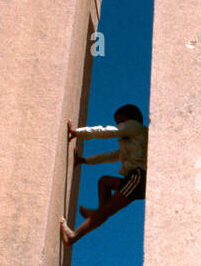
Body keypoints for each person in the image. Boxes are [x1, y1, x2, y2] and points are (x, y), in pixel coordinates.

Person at [61, 104, 148, 246]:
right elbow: (113, 156)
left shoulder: (135, 127)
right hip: (134, 179)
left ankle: (74, 236)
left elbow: (109, 132)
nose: (119, 125)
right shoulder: (134, 141)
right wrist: (85, 161)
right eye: (117, 122)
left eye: (121, 121)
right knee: (104, 181)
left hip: (138, 179)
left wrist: (78, 132)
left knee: (105, 212)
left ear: (134, 118)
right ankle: (99, 213)